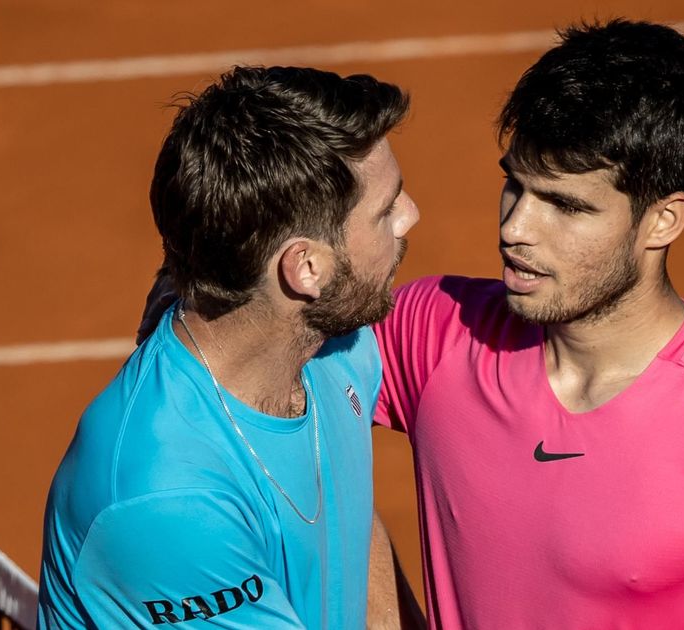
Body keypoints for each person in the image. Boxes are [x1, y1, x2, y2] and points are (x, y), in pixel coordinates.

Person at [373, 19, 684, 629]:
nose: (516, 229)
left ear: (663, 221)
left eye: (566, 205)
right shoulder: (432, 333)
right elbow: (274, 399)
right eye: (516, 185)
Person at [38, 65, 419, 628]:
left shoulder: (337, 343)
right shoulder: (166, 501)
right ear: (306, 267)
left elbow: (348, 515)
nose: (411, 216)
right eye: (385, 209)